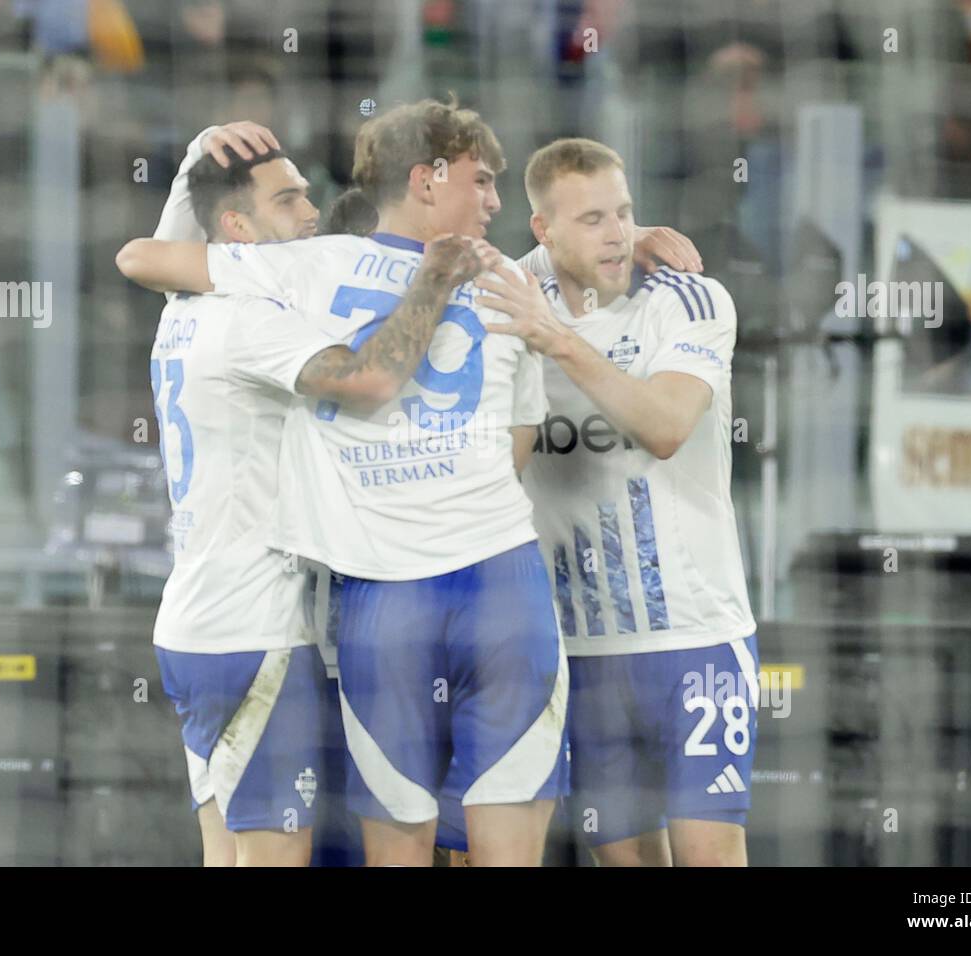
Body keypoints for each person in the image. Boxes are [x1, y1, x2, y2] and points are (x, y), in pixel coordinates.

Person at [118, 98, 569, 866]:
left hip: (225, 613)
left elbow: (143, 256)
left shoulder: (214, 299)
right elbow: (370, 377)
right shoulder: (258, 314)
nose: (312, 209)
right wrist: (433, 279)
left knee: (227, 848)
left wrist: (200, 154)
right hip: (265, 621)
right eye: (289, 198)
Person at [475, 138, 759, 866]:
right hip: (581, 649)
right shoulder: (506, 298)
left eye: (625, 214)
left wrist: (561, 343)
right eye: (594, 218)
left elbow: (664, 428)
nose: (618, 235)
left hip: (693, 637)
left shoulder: (688, 297)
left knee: (708, 856)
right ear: (543, 229)